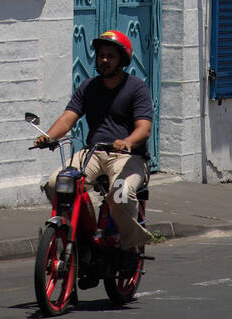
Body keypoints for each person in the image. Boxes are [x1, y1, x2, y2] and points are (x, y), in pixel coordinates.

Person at [33, 30, 153, 258]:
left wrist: (127, 142)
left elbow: (144, 127)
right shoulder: (88, 87)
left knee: (120, 192)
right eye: (101, 56)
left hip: (129, 157)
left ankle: (130, 244)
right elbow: (68, 117)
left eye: (110, 56)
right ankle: (78, 229)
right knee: (56, 182)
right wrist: (48, 137)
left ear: (123, 61)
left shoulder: (137, 88)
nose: (104, 60)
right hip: (93, 153)